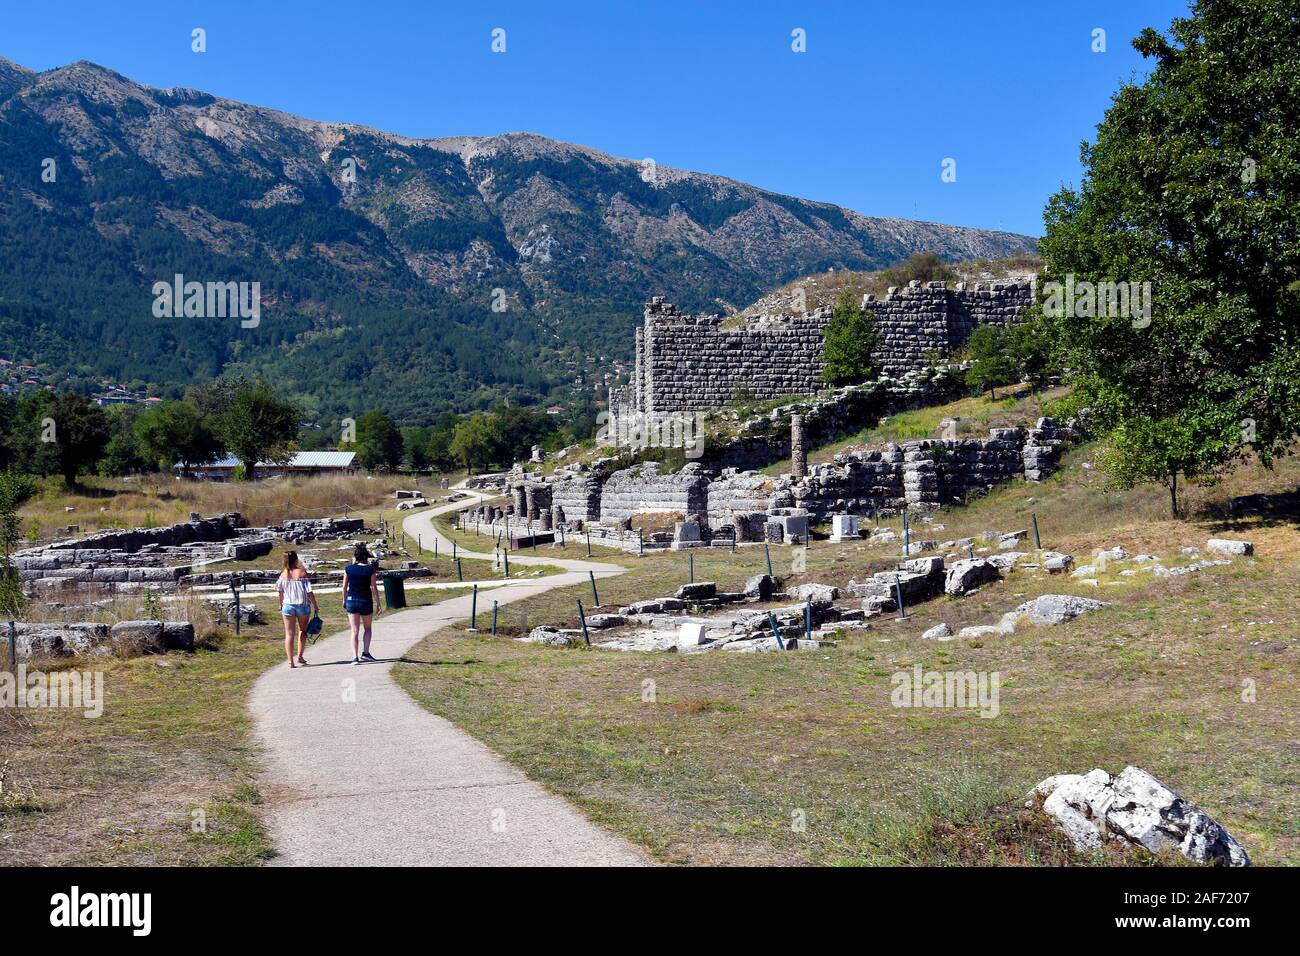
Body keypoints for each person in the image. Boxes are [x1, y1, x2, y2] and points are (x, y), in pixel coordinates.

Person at [342, 543, 384, 664]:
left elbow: (344, 587)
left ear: (355, 557)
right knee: (367, 628)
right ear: (366, 557)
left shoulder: (348, 569)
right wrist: (378, 604)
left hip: (351, 600)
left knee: (354, 630)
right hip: (365, 600)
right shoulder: (370, 569)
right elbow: (374, 588)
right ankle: (366, 652)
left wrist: (344, 600)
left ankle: (355, 657)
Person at [276, 551, 318, 668]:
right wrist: (315, 605)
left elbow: (280, 591)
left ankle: (290, 661)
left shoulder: (283, 574)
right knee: (302, 631)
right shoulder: (302, 573)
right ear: (296, 559)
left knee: (289, 634)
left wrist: (281, 604)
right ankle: (300, 656)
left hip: (288, 606)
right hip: (302, 605)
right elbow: (309, 592)